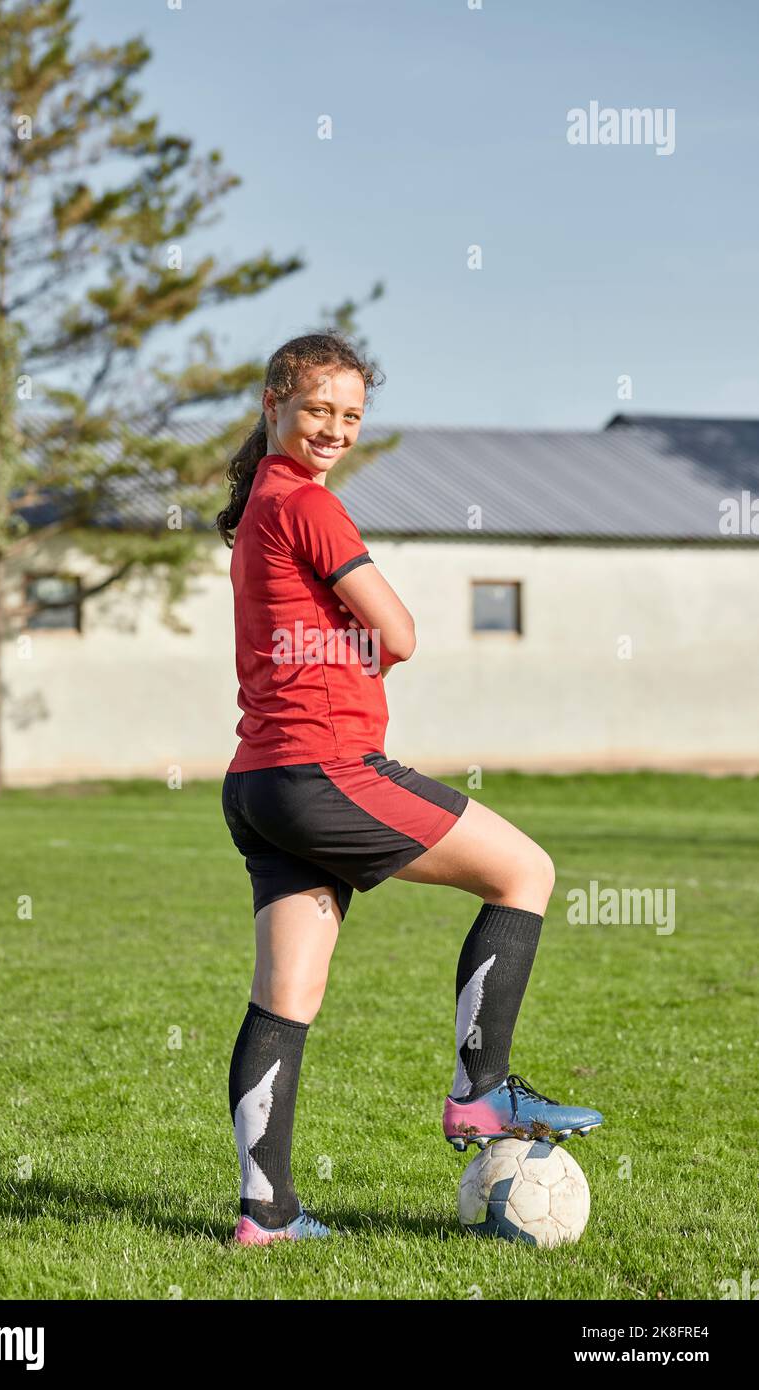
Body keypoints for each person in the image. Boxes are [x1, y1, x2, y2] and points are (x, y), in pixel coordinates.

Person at [216, 330, 603, 1246]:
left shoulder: (258, 504)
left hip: (260, 781)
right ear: (273, 404)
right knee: (525, 872)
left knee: (284, 1000)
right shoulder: (306, 503)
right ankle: (482, 1091)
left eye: (351, 416)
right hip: (326, 769)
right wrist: (354, 655)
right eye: (316, 409)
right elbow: (400, 632)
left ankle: (265, 1216)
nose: (333, 429)